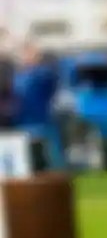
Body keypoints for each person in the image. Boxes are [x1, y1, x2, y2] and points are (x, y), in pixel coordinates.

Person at [12, 42, 64, 171]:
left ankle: (58, 176)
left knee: (52, 154)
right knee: (26, 159)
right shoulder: (17, 77)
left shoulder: (42, 73)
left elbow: (52, 81)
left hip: (42, 120)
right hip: (22, 122)